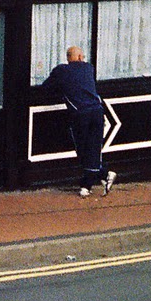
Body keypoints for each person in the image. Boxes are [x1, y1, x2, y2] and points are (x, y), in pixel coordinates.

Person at [43, 46, 116, 197]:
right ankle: (96, 179)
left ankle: (93, 181)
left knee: (82, 150)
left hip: (80, 114)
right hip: (97, 111)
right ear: (80, 57)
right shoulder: (89, 68)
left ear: (68, 58)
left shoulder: (61, 71)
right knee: (93, 149)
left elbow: (47, 87)